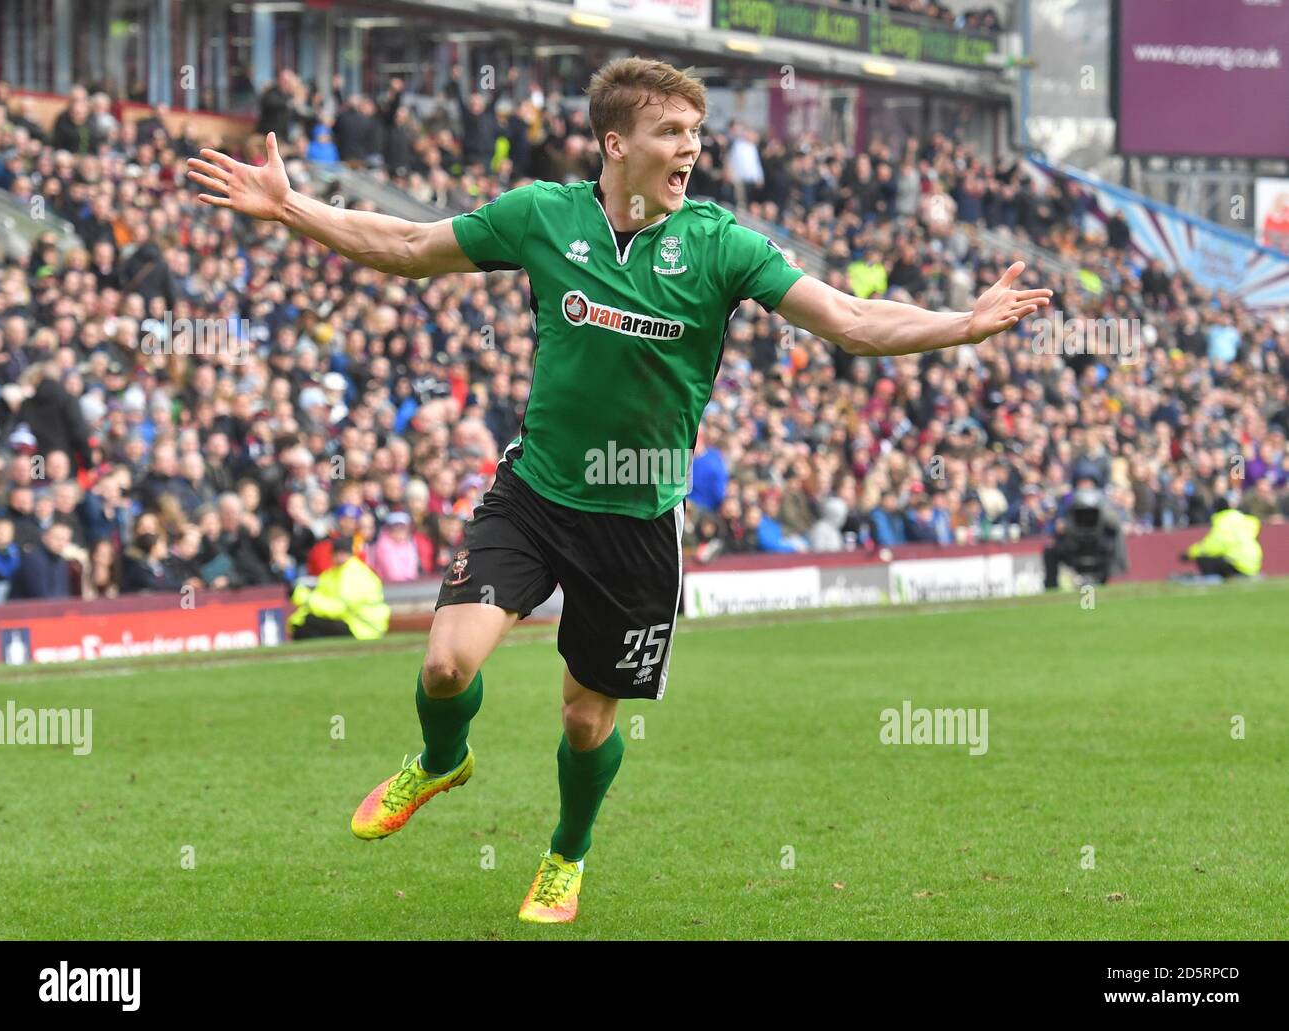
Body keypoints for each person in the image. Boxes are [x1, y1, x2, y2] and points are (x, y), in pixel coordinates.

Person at [188, 56, 1050, 924]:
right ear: (615, 142)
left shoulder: (722, 244)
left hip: (637, 523)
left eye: (697, 135)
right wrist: (291, 207)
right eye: (672, 133)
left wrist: (961, 326)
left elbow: (852, 322)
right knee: (446, 665)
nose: (691, 150)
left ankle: (566, 853)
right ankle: (441, 757)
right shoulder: (541, 217)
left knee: (583, 724)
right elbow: (412, 248)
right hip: (535, 493)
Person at [288, 535, 390, 640]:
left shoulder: (355, 573)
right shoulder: (332, 574)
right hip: (353, 623)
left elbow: (340, 607)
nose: (339, 556)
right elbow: (324, 597)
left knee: (310, 622)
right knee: (301, 624)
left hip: (363, 627)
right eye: (336, 553)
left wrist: (307, 599)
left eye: (342, 553)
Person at [1180, 500, 1262, 579]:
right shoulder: (1243, 519)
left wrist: (1189, 553)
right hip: (1254, 564)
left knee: (1202, 558)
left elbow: (1212, 546)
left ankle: (1212, 579)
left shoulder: (1222, 522)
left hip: (1238, 565)